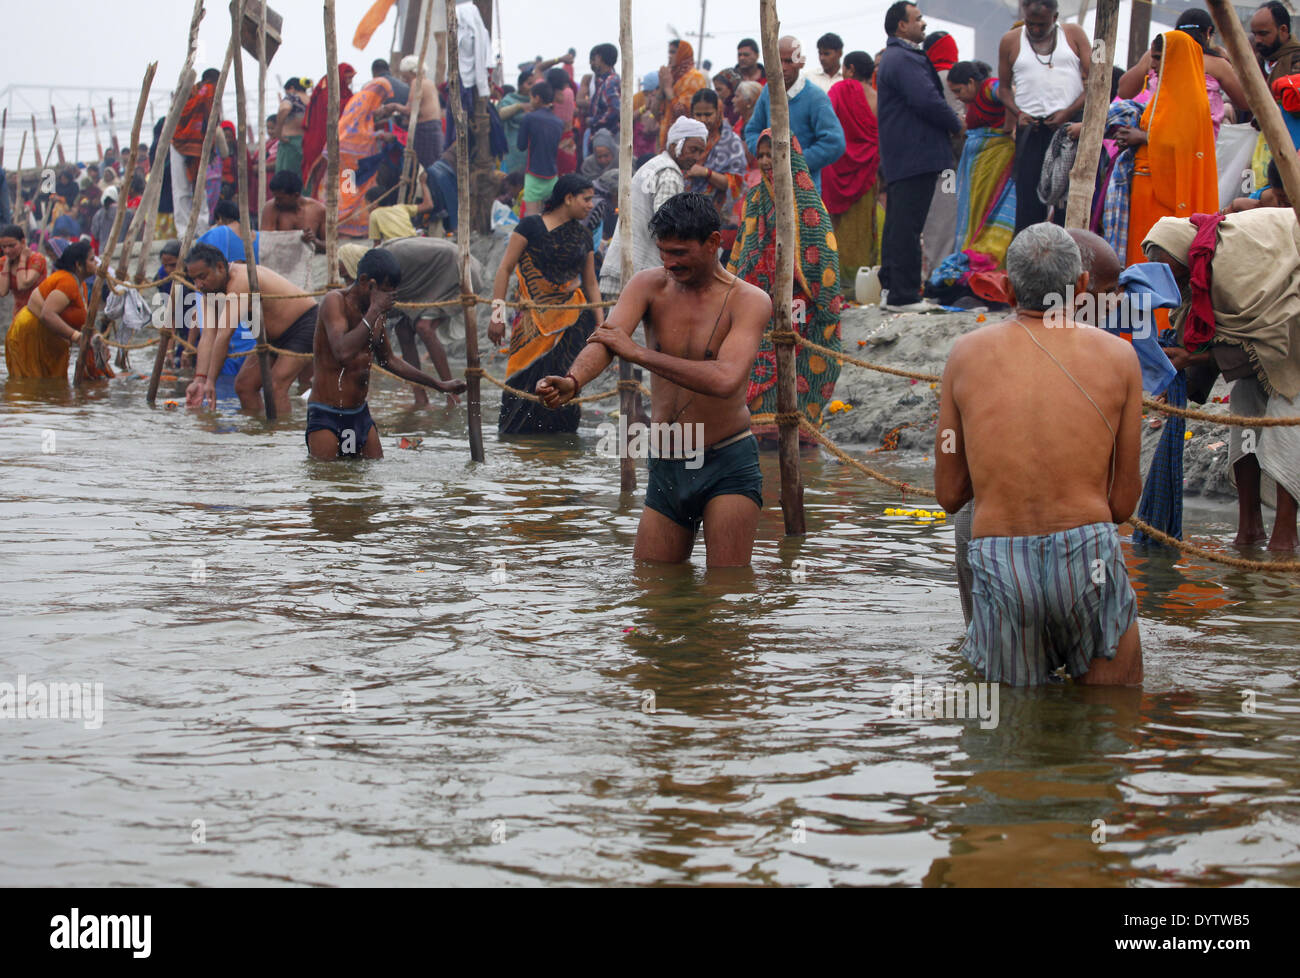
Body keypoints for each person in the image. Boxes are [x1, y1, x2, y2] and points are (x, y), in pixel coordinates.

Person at [935, 223, 1143, 686]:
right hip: (1089, 558)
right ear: (1084, 286)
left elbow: (949, 494)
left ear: (1006, 288)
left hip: (1000, 560)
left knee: (1008, 736)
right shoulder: (1119, 357)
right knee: (1114, 723)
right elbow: (1124, 504)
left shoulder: (965, 355)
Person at [539, 193, 772, 567]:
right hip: (668, 455)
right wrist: (573, 380)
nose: (669, 262)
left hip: (726, 458)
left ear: (713, 242)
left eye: (680, 252)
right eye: (663, 251)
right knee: (653, 587)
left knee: (728, 592)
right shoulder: (648, 285)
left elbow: (726, 378)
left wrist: (638, 353)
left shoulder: (749, 300)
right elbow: (608, 340)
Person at [1142, 210, 1300, 552]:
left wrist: (1194, 358)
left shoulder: (1235, 271)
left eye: (1180, 279)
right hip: (1265, 339)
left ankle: (1286, 532)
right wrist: (1181, 372)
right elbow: (1203, 327)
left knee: (1289, 416)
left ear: (1188, 263)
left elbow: (1276, 339)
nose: (1180, 288)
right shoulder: (1195, 269)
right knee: (1243, 413)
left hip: (1290, 329)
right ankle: (1249, 527)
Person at [729, 131, 843, 443]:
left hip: (799, 309)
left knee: (792, 396)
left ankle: (796, 441)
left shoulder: (806, 201)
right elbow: (741, 251)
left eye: (772, 154)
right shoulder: (754, 198)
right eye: (761, 155)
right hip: (755, 307)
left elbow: (823, 259)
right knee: (756, 420)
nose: (766, 161)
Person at [308, 249, 465, 459]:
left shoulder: (376, 315)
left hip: (359, 414)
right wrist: (374, 310)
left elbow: (389, 360)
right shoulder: (335, 302)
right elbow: (342, 352)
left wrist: (439, 385)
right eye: (384, 292)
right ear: (365, 282)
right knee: (330, 484)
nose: (388, 300)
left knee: (373, 484)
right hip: (327, 415)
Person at [489, 175, 603, 434]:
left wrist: (601, 324)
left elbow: (591, 283)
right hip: (531, 325)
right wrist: (497, 316)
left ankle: (560, 447)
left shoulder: (584, 235)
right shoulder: (530, 226)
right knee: (522, 386)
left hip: (572, 325)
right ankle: (520, 449)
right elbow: (505, 269)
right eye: (586, 199)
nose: (590, 206)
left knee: (565, 387)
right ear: (568, 198)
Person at [877, 3, 963, 312]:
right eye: (918, 19)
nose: (923, 24)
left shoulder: (895, 57)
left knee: (899, 223)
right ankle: (904, 295)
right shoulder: (904, 58)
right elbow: (926, 99)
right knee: (908, 226)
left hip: (904, 155)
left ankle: (891, 288)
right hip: (916, 154)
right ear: (901, 26)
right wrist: (956, 124)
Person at [338, 237, 481, 409]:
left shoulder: (384, 266)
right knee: (403, 329)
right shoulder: (380, 263)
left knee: (424, 327)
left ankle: (452, 396)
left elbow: (381, 306)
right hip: (433, 276)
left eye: (348, 278)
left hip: (457, 269)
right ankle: (420, 398)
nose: (347, 285)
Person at [1115, 30, 1218, 267]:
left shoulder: (1193, 100)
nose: (1152, 64)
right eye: (1153, 56)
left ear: (1178, 59)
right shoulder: (1162, 96)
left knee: (1158, 259)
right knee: (1140, 260)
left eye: (1159, 57)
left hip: (1166, 197)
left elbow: (1181, 145)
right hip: (1145, 191)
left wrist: (1141, 137)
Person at [183, 243, 320, 417]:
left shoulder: (241, 279)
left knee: (276, 386)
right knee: (244, 385)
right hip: (270, 338)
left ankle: (282, 438)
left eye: (202, 277)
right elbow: (208, 336)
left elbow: (224, 335)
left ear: (219, 268)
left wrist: (211, 381)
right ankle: (257, 436)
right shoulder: (207, 291)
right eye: (194, 279)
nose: (198, 285)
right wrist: (200, 379)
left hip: (304, 324)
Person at [998, 0, 1091, 231]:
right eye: (1031, 24)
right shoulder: (1010, 41)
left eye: (1042, 24)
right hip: (1030, 130)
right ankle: (1026, 263)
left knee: (1065, 205)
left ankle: (1064, 262)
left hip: (1067, 131)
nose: (1036, 30)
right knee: (1028, 206)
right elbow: (1004, 88)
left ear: (1055, 17)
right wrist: (1017, 113)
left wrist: (1068, 112)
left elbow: (1094, 83)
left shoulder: (1074, 35)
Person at [928, 61, 1017, 292]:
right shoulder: (975, 99)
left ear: (971, 82)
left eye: (959, 91)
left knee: (989, 209)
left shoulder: (989, 87)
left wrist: (1010, 125)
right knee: (975, 212)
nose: (958, 97)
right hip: (978, 162)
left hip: (995, 158)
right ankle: (971, 262)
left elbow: (1010, 94)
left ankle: (986, 264)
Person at [600, 117, 706, 296]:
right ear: (675, 145)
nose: (695, 157)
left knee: (619, 321)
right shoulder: (669, 174)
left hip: (625, 263)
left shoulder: (654, 165)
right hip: (640, 272)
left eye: (700, 152)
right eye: (692, 149)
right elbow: (667, 226)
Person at [1119, 11, 1248, 139]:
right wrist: (1230, 62)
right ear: (1208, 33)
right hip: (1197, 146)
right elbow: (1245, 102)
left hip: (1152, 141)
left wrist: (1149, 58)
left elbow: (1124, 91)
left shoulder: (1157, 55)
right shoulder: (1216, 63)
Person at [744, 36, 846, 191]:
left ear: (800, 62)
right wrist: (765, 154)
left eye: (789, 61)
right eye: (779, 61)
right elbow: (752, 130)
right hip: (771, 188)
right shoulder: (768, 92)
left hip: (806, 191)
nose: (783, 67)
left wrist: (795, 161)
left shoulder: (815, 97)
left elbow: (835, 143)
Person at [5, 241, 107, 378]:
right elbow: (47, 314)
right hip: (30, 333)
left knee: (50, 386)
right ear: (78, 265)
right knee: (32, 385)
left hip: (45, 334)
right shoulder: (67, 282)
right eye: (91, 259)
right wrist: (76, 337)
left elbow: (82, 322)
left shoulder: (80, 284)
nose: (96, 263)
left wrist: (95, 337)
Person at [824, 51, 880, 278]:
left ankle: (834, 278)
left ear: (850, 69)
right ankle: (861, 275)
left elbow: (826, 119)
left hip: (836, 167)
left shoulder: (839, 89)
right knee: (863, 223)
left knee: (834, 224)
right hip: (868, 168)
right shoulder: (878, 97)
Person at [336, 75, 397, 238]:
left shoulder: (360, 98)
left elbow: (361, 124)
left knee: (350, 188)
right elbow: (356, 132)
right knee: (350, 189)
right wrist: (380, 135)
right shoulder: (367, 100)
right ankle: (346, 224)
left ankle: (351, 225)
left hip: (347, 152)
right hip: (352, 154)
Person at [685, 89, 749, 225]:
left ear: (718, 112)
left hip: (717, 218)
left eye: (708, 114)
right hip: (685, 215)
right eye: (698, 114)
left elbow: (736, 184)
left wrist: (705, 173)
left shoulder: (731, 142)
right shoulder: (684, 140)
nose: (702, 119)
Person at [171, 68, 221, 239]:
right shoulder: (209, 91)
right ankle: (199, 228)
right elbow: (211, 120)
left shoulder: (193, 92)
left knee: (183, 189)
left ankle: (185, 230)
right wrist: (211, 146)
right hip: (188, 141)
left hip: (180, 141)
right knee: (197, 187)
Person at [383, 55, 443, 168]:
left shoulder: (417, 82)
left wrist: (394, 106)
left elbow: (411, 111)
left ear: (411, 72)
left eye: (405, 75)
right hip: (434, 127)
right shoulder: (429, 82)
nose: (403, 79)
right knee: (433, 164)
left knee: (425, 166)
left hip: (425, 129)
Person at [303, 63, 355, 189]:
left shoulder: (346, 93)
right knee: (322, 175)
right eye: (347, 78)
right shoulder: (326, 92)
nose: (349, 82)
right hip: (324, 138)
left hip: (344, 141)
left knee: (346, 177)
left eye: (351, 78)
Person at [518, 81, 564, 217]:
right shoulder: (558, 122)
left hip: (534, 174)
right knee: (550, 217)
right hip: (552, 175)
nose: (530, 101)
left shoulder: (529, 118)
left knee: (531, 217)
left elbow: (521, 146)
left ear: (537, 98)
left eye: (531, 97)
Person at [659, 40, 711, 151]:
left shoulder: (694, 78)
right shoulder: (672, 76)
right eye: (669, 52)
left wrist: (668, 89)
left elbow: (683, 113)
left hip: (685, 141)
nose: (670, 56)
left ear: (683, 53)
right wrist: (661, 87)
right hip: (667, 139)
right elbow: (657, 113)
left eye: (673, 52)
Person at [259, 170, 328, 253]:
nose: (276, 201)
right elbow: (265, 243)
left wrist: (314, 241)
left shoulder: (319, 210)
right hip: (279, 260)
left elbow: (330, 246)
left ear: (296, 195)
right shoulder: (271, 208)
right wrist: (296, 239)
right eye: (275, 197)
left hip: (311, 262)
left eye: (280, 198)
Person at [0, 224, 48, 332]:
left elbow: (23, 284)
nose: (7, 251)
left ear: (22, 242)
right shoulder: (4, 262)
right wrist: (7, 263)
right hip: (18, 315)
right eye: (4, 247)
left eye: (12, 246)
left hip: (39, 314)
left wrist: (22, 259)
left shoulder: (37, 259)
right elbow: (2, 291)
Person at [365, 168, 435, 243]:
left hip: (397, 245)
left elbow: (377, 244)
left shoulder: (374, 214)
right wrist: (423, 184)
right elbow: (428, 205)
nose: (366, 207)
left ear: (374, 204)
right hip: (415, 241)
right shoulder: (401, 207)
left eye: (367, 203)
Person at [1252, 1, 1300, 86]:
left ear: (1283, 30)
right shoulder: (1254, 62)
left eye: (1263, 33)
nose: (1257, 40)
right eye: (1255, 34)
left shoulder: (1296, 62)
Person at [498, 69, 535, 176]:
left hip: (529, 150)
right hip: (512, 149)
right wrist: (519, 106)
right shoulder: (509, 100)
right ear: (519, 85)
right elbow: (500, 115)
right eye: (529, 83)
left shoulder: (536, 102)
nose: (532, 86)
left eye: (534, 84)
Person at [274, 77, 309, 176]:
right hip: (306, 142)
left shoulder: (291, 97)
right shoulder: (310, 99)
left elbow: (285, 109)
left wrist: (278, 132)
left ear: (292, 88)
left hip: (290, 143)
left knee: (286, 179)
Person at [587, 43, 621, 138]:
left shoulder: (610, 81)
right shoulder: (604, 80)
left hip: (607, 136)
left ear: (600, 58)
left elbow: (614, 110)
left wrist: (593, 121)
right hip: (600, 135)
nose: (593, 62)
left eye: (596, 58)